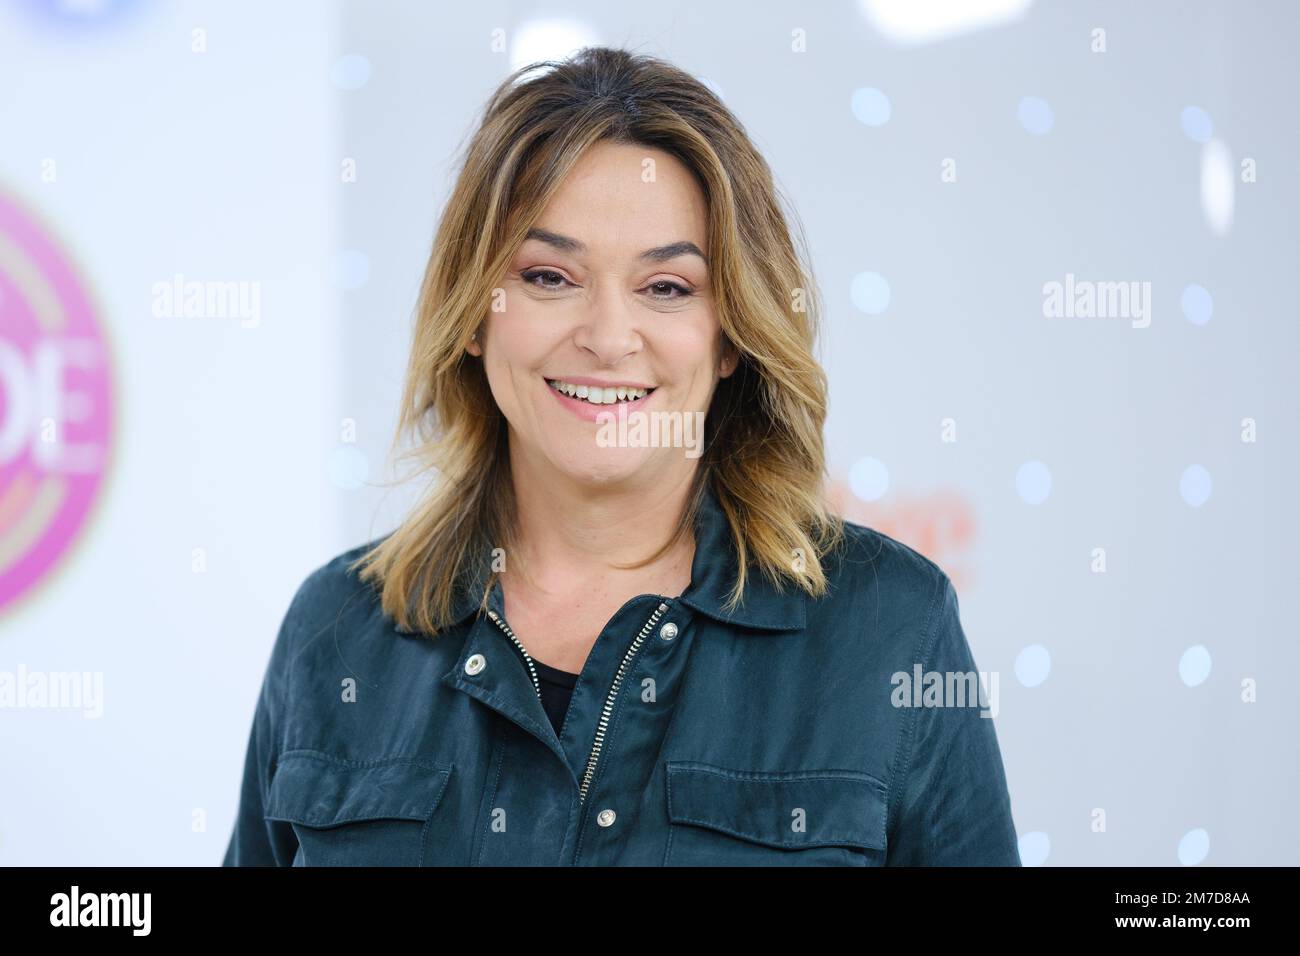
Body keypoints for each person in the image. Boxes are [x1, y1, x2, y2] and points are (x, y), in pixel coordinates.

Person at [222, 45, 1020, 866]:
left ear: (730, 338)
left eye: (667, 287)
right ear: (473, 314)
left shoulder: (891, 627)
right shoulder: (336, 632)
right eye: (548, 277)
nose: (606, 338)